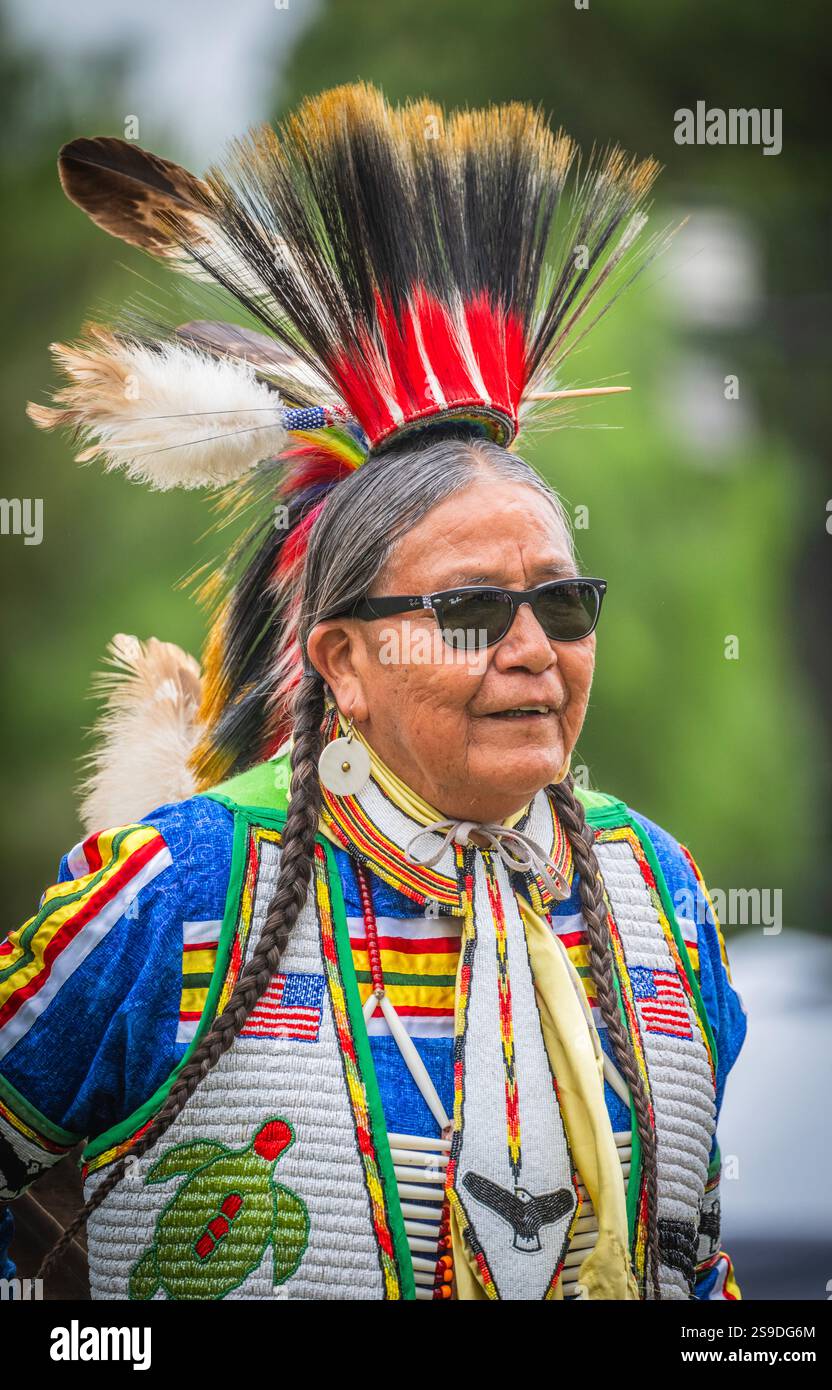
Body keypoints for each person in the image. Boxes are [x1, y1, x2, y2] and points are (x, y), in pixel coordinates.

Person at [1, 84, 745, 1301]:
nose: (531, 648)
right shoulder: (178, 893)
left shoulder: (650, 890)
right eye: (467, 610)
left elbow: (700, 1254)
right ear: (339, 661)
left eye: (561, 603)